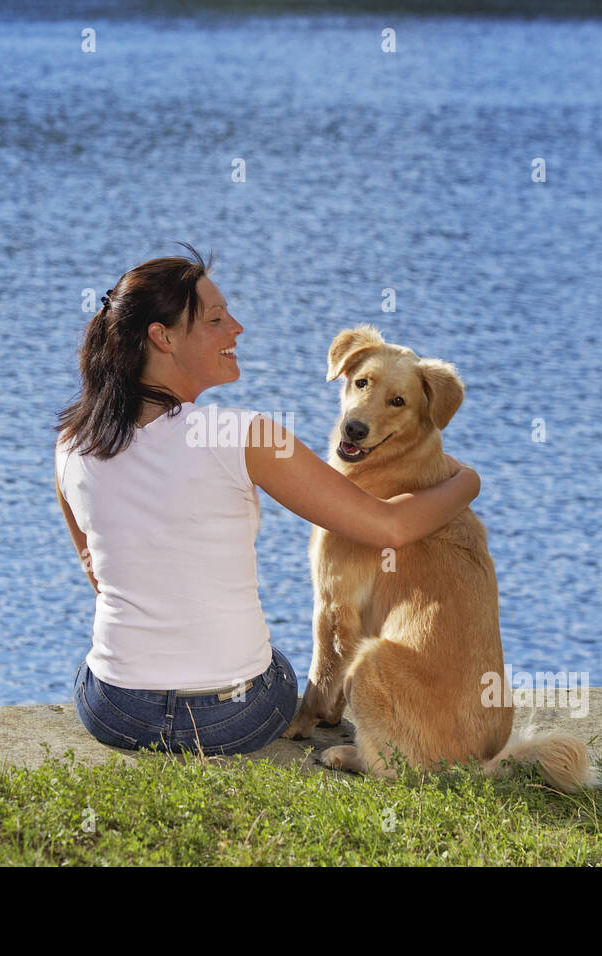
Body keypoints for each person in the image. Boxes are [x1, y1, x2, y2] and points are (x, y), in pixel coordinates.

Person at [55, 241, 481, 756]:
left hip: (117, 710)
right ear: (162, 337)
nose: (237, 328)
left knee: (94, 667)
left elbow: (99, 575)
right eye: (216, 319)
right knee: (275, 668)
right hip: (232, 717)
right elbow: (387, 528)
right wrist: (465, 483)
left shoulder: (72, 441)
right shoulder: (247, 434)